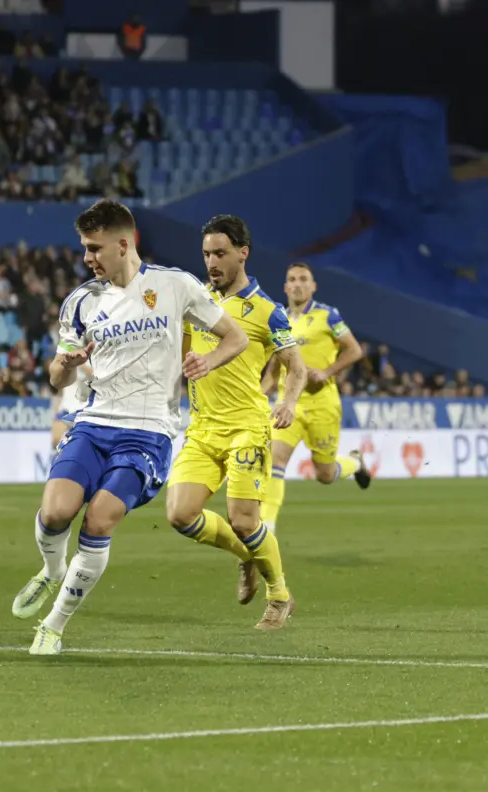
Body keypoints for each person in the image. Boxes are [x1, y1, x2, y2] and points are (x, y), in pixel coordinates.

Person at [11, 199, 249, 655]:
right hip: (94, 423)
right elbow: (56, 376)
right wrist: (67, 365)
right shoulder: (80, 302)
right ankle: (53, 569)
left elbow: (234, 337)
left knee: (99, 518)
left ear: (124, 244)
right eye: (84, 247)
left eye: (94, 248)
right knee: (56, 511)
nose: (87, 257)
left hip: (148, 432)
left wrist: (206, 361)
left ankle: (54, 625)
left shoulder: (175, 285)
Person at [165, 215, 307, 630]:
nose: (212, 261)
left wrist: (288, 402)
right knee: (180, 515)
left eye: (221, 253)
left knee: (245, 519)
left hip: (247, 424)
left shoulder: (268, 311)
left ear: (243, 253)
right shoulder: (196, 302)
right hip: (202, 428)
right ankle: (247, 555)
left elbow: (295, 368)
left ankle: (279, 595)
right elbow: (179, 356)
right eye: (207, 253)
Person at [260, 262, 370, 532]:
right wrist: (258, 396)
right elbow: (272, 371)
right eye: (292, 279)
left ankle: (355, 462)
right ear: (286, 286)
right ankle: (267, 528)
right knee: (275, 459)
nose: (297, 284)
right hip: (289, 405)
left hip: (323, 404)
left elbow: (354, 350)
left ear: (313, 286)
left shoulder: (328, 316)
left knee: (325, 474)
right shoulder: (278, 321)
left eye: (303, 279)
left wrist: (327, 371)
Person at [50, 363, 92, 452]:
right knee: (56, 441)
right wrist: (57, 407)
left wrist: (79, 362)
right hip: (64, 408)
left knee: (80, 447)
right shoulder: (68, 356)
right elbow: (61, 386)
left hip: (82, 410)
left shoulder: (91, 359)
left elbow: (93, 375)